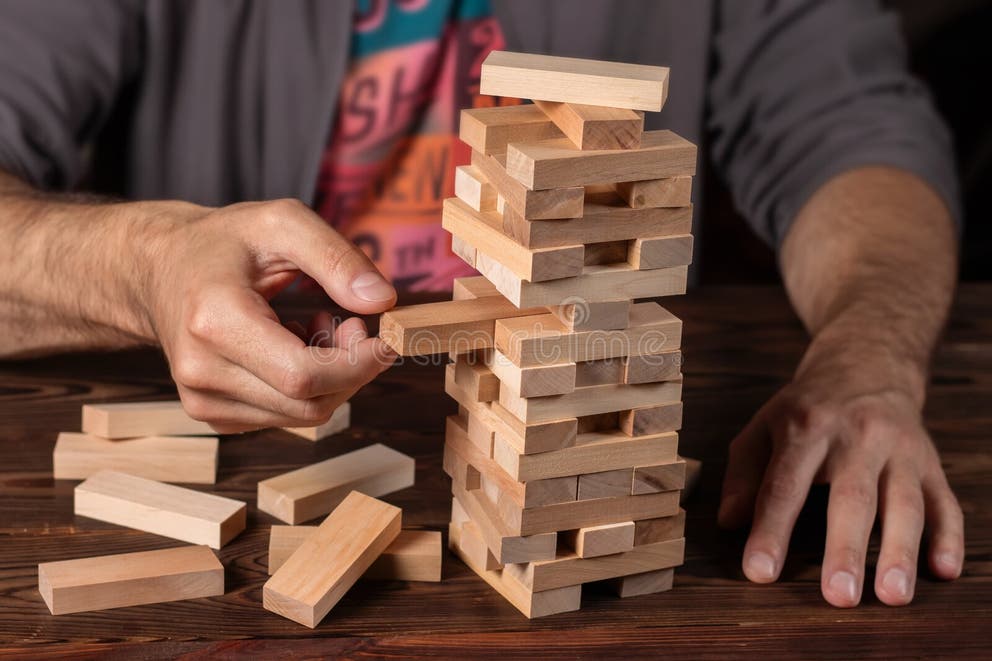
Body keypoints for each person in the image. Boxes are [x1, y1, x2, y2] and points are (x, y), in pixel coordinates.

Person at [0, 0, 964, 609]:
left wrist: (868, 353)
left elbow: (857, 135)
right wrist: (145, 262)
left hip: (569, 420)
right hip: (254, 445)